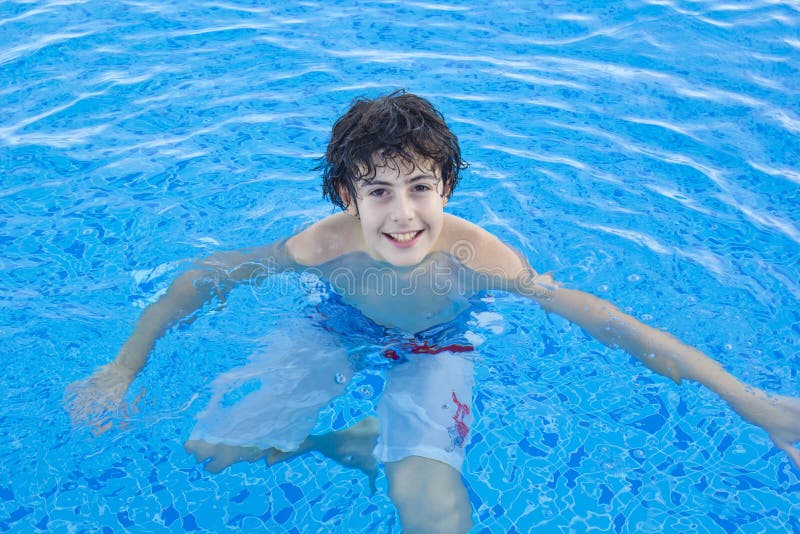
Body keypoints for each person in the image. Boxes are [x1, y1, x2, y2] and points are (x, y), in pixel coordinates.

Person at [66, 90, 800, 533]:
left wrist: (751, 402)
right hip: (336, 327)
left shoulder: (479, 256)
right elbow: (208, 278)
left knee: (432, 510)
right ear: (347, 199)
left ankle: (383, 441)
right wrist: (122, 366)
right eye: (378, 191)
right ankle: (349, 440)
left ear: (446, 186)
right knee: (212, 451)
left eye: (420, 186)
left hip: (437, 348)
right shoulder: (325, 246)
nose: (403, 212)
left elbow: (610, 322)